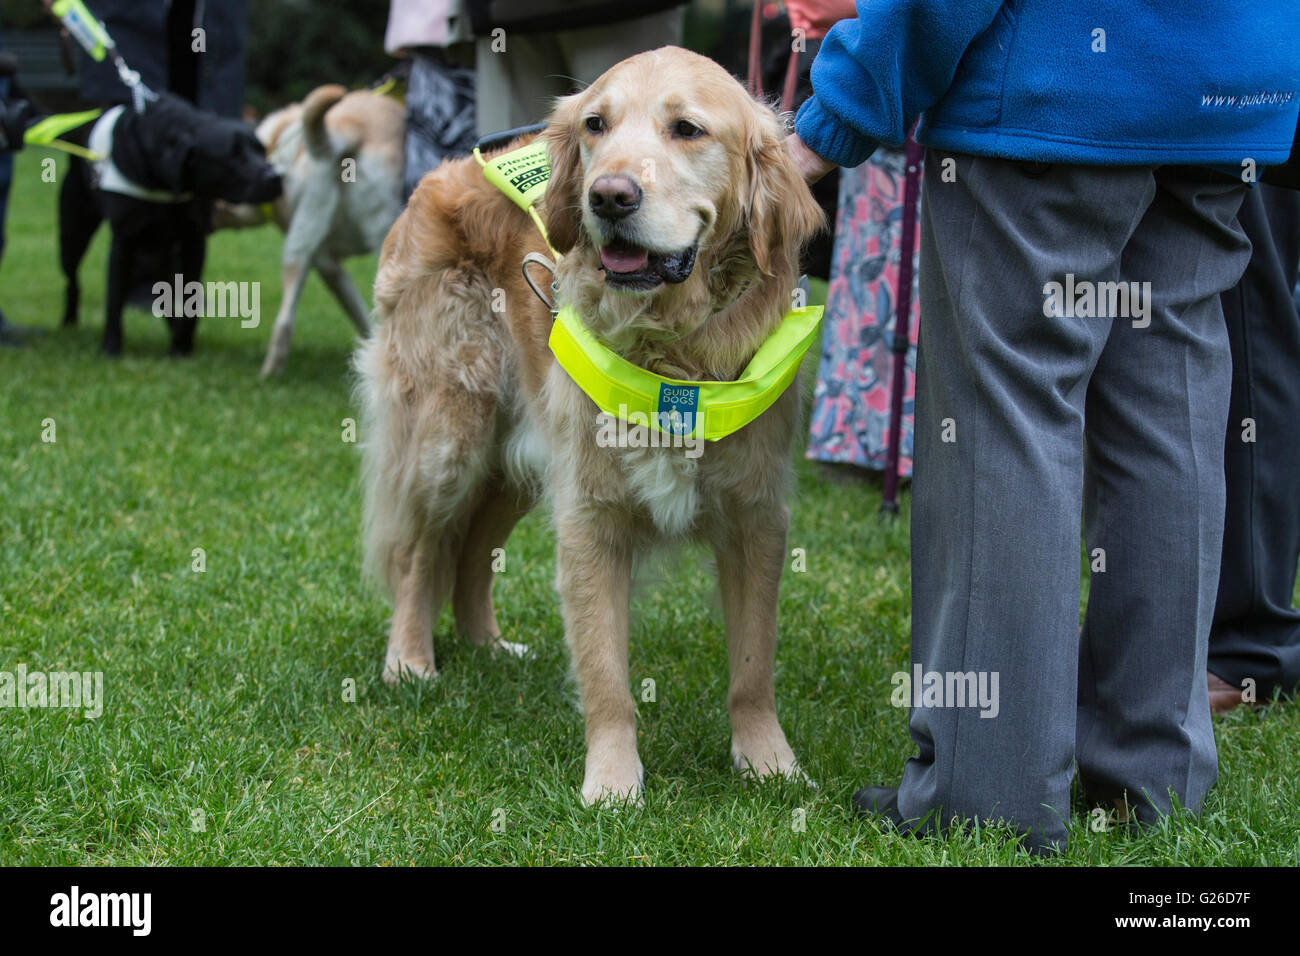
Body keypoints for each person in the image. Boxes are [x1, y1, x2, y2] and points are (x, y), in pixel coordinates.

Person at [786, 2, 1300, 852]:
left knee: (1005, 427)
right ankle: (1151, 775)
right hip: (1220, 90)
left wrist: (836, 112)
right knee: (1170, 418)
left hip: (1055, 88)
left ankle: (988, 794)